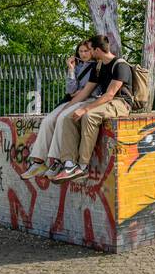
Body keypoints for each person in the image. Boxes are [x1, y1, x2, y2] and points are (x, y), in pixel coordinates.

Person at [48, 35, 133, 183]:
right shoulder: (99, 66)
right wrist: (66, 108)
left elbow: (110, 94)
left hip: (120, 102)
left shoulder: (120, 65)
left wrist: (85, 109)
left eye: (91, 49)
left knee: (89, 116)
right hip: (106, 101)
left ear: (97, 50)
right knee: (69, 117)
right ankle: (69, 163)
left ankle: (82, 166)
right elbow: (85, 92)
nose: (89, 52)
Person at [18, 40, 100, 180]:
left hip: (88, 100)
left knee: (63, 119)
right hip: (73, 99)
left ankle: (57, 160)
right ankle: (38, 162)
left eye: (86, 51)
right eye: (80, 51)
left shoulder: (98, 67)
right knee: (48, 120)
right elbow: (70, 90)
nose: (83, 54)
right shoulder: (78, 66)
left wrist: (79, 92)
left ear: (92, 51)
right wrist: (71, 70)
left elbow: (90, 90)